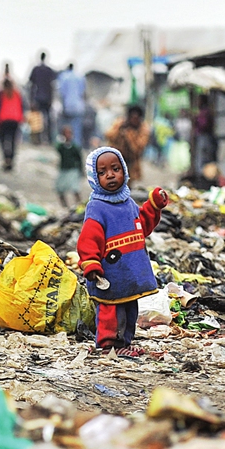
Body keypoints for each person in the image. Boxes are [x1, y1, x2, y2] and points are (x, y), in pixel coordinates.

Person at [77, 146, 169, 353]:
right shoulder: (97, 208)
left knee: (129, 310)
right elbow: (88, 239)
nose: (110, 175)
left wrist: (154, 206)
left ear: (124, 171)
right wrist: (90, 263)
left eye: (115, 169)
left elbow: (141, 225)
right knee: (111, 311)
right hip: (111, 274)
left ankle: (125, 342)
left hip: (130, 273)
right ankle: (109, 345)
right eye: (102, 172)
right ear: (94, 178)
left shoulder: (128, 202)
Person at [104, 105, 150, 185]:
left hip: (131, 160)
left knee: (127, 181)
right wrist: (119, 129)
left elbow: (139, 147)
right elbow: (108, 135)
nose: (134, 121)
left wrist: (128, 134)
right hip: (116, 157)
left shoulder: (143, 128)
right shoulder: (119, 123)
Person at [0, 78, 24, 172]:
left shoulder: (1, 94)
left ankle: (6, 159)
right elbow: (22, 106)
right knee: (13, 141)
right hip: (15, 119)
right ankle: (11, 160)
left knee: (3, 140)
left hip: (3, 119)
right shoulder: (17, 93)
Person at [28, 52, 57, 144]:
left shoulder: (36, 69)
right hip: (47, 98)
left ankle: (38, 139)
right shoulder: (49, 70)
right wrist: (51, 99)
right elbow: (52, 86)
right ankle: (49, 139)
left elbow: (32, 85)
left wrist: (31, 100)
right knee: (48, 119)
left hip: (38, 97)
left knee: (38, 120)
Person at [54, 125, 84, 208]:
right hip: (63, 169)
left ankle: (80, 205)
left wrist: (81, 170)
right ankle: (65, 206)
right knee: (60, 188)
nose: (68, 135)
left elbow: (79, 158)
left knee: (75, 188)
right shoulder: (62, 146)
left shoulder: (74, 146)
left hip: (73, 169)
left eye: (69, 133)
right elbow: (57, 149)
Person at [58, 63, 87, 147]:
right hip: (78, 106)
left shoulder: (63, 76)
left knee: (66, 128)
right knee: (77, 129)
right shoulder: (80, 77)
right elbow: (83, 92)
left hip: (67, 106)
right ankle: (76, 146)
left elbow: (61, 93)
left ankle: (67, 147)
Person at [193, 94, 217, 174]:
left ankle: (204, 174)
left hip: (204, 137)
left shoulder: (205, 112)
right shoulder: (202, 112)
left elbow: (204, 125)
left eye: (198, 100)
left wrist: (196, 120)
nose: (197, 103)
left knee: (203, 157)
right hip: (202, 137)